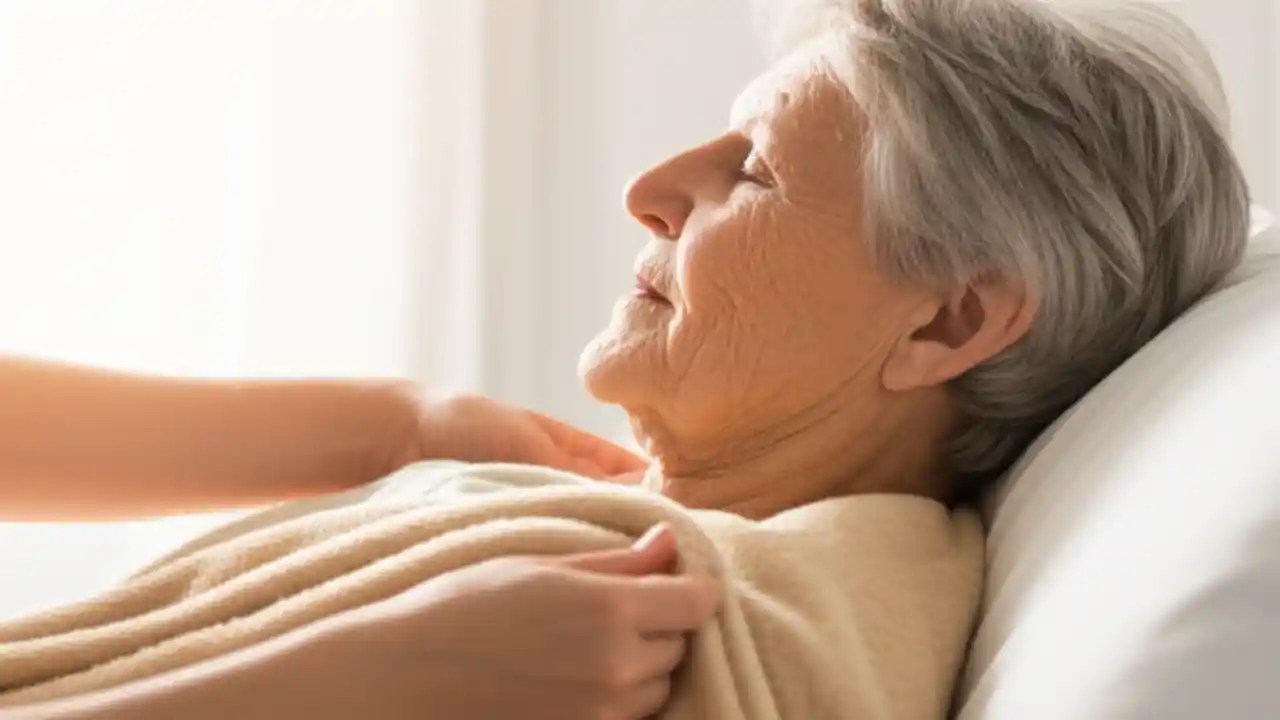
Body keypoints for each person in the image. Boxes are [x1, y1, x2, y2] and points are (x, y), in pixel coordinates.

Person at [5, 0, 1252, 716]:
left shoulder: (737, 622)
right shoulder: (556, 561)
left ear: (945, 326)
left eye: (753, 170)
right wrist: (352, 672)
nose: (647, 191)